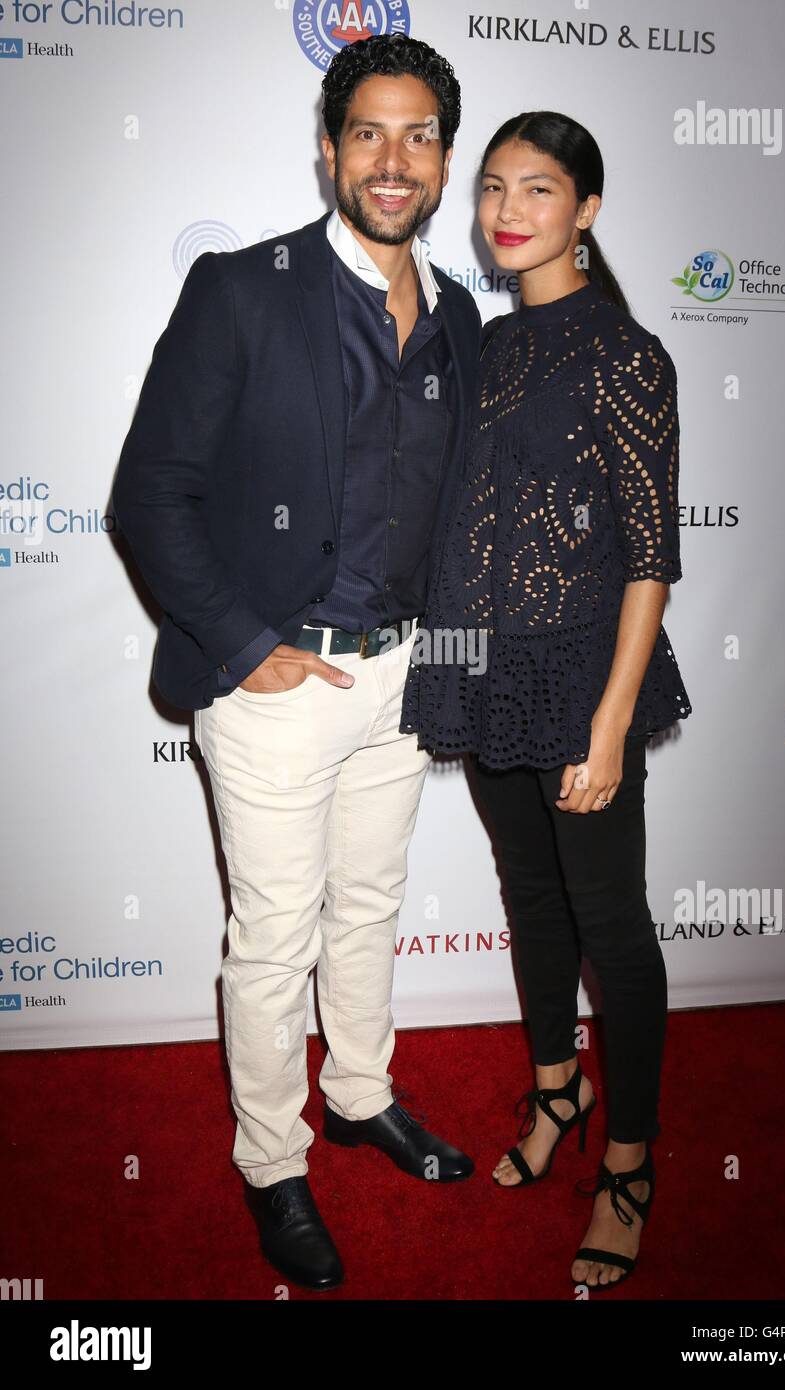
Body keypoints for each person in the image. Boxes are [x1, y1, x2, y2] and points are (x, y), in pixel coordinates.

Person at [112, 33, 481, 1293]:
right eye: (368, 132)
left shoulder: (459, 317)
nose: (394, 159)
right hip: (277, 681)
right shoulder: (241, 288)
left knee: (368, 909)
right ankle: (272, 1163)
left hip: (399, 678)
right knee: (273, 939)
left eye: (419, 134)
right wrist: (249, 646)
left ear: (442, 157)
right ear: (328, 149)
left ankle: (361, 1095)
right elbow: (149, 494)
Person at [400, 111, 693, 1291]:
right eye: (491, 189)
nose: (507, 210)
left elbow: (649, 554)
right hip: (483, 663)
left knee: (609, 920)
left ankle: (629, 1160)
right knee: (528, 894)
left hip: (579, 672)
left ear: (585, 209)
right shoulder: (481, 343)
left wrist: (611, 720)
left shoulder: (625, 355)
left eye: (537, 189)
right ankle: (556, 1092)